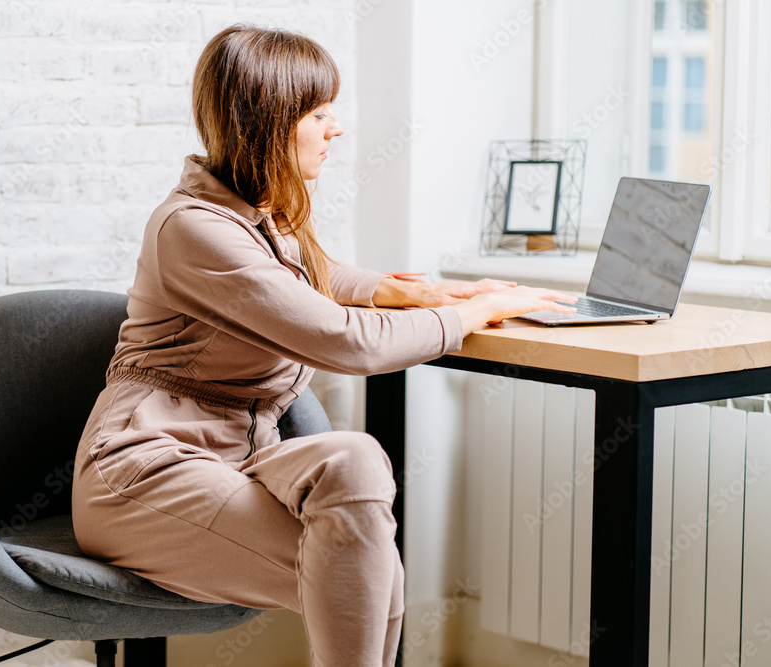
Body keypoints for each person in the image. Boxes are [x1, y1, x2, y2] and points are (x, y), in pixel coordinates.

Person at [71, 24, 576, 667]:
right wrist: (476, 312)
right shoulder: (192, 228)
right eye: (318, 113)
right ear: (268, 122)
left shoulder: (260, 209)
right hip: (142, 470)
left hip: (236, 460)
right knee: (368, 571)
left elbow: (311, 280)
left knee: (357, 461)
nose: (336, 128)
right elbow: (347, 344)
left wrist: (404, 292)